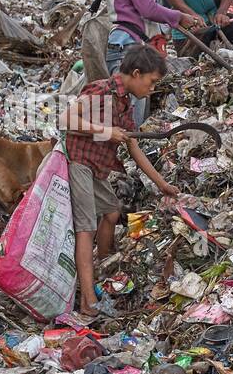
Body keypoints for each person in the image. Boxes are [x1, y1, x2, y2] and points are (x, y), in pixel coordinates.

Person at [58, 44, 180, 318]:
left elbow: (133, 147)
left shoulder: (126, 103)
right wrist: (106, 131)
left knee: (112, 211)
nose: (152, 89)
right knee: (86, 228)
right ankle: (87, 300)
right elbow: (65, 119)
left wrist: (162, 184)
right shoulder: (101, 91)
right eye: (151, 82)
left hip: (98, 169)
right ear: (136, 74)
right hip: (79, 163)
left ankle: (104, 266)